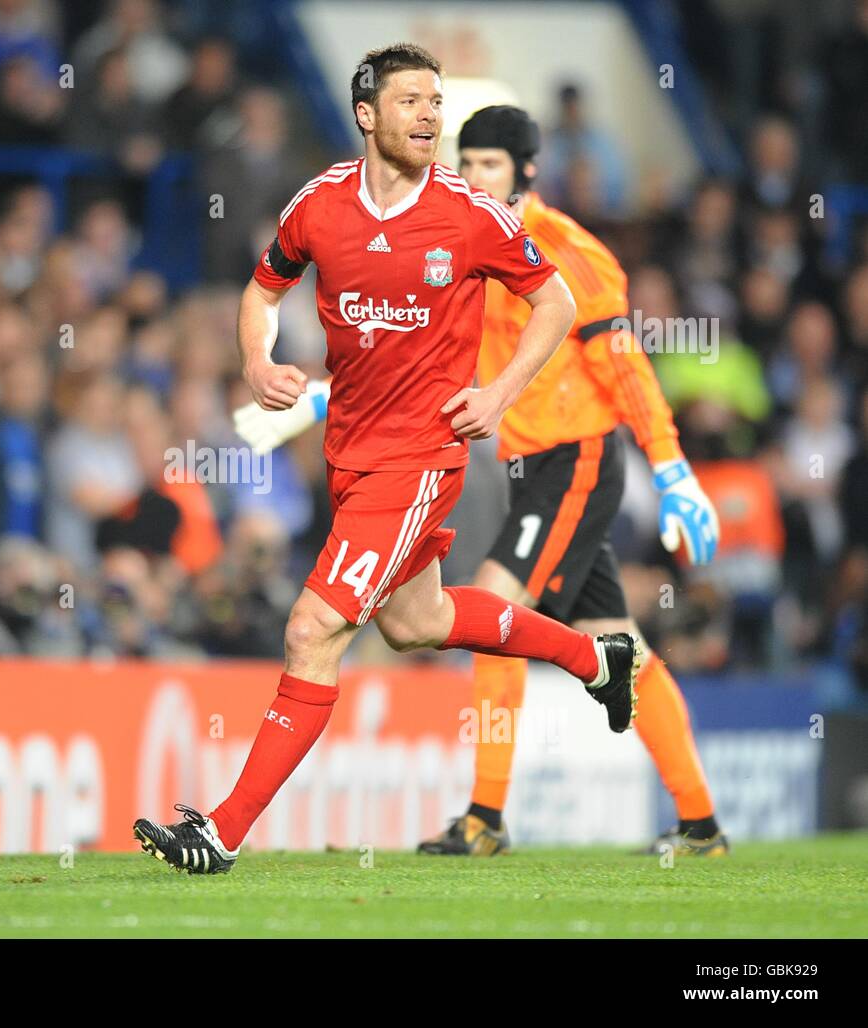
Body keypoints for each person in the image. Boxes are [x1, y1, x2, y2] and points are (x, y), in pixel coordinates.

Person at [132, 46, 641, 876]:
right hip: (351, 455)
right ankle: (596, 659)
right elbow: (263, 290)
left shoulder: (471, 213)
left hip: (422, 455)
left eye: (435, 101)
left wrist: (502, 392)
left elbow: (556, 299)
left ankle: (220, 833)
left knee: (311, 629)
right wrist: (258, 363)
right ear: (367, 115)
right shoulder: (319, 205)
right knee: (417, 623)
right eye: (410, 101)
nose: (429, 115)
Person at [234, 105, 729, 858]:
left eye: (492, 165)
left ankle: (485, 819)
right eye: (467, 163)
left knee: (495, 607)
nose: (474, 177)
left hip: (576, 460)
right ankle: (701, 825)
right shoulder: (472, 240)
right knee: (615, 639)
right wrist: (315, 402)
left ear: (528, 172)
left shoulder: (565, 250)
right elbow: (422, 367)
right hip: (530, 468)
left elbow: (620, 360)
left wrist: (672, 468)